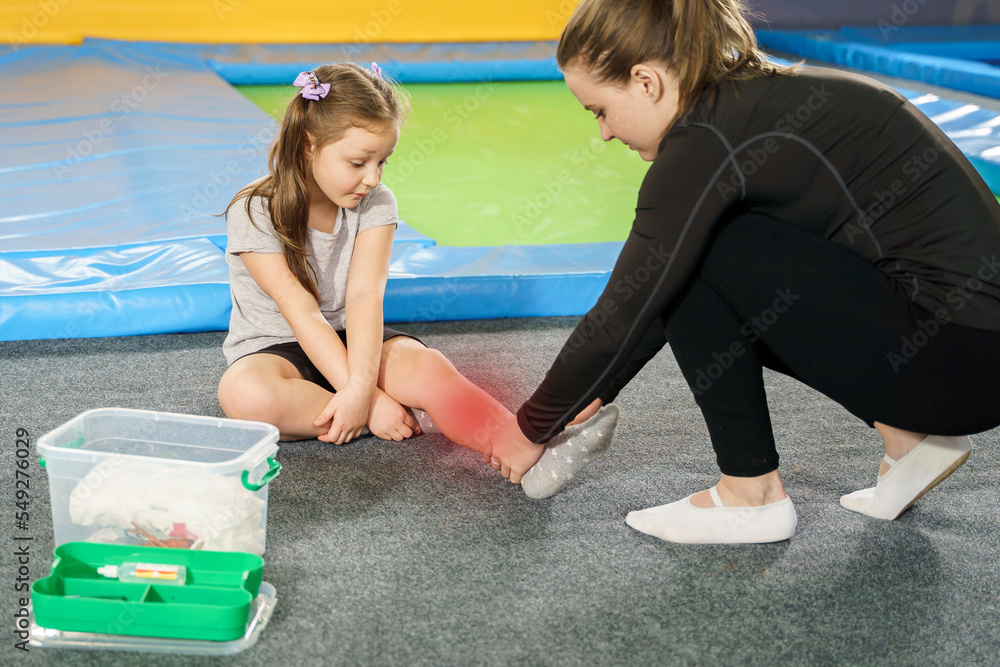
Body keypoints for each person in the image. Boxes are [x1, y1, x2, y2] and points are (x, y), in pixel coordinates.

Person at [490, 0, 1000, 543]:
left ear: (646, 82)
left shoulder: (703, 141)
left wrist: (528, 429)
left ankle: (749, 495)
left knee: (703, 246)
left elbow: (626, 307)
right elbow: (670, 299)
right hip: (968, 357)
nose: (605, 134)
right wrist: (591, 396)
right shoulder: (749, 103)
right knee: (699, 249)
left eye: (599, 111)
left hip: (955, 362)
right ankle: (910, 441)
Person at [218, 63, 618, 497]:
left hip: (357, 340)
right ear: (308, 147)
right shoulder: (257, 208)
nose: (372, 178)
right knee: (245, 396)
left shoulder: (375, 203)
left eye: (382, 162)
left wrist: (361, 383)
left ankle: (534, 453)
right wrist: (368, 401)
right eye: (357, 162)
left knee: (429, 367)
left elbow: (365, 296)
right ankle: (400, 416)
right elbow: (300, 310)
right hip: (275, 350)